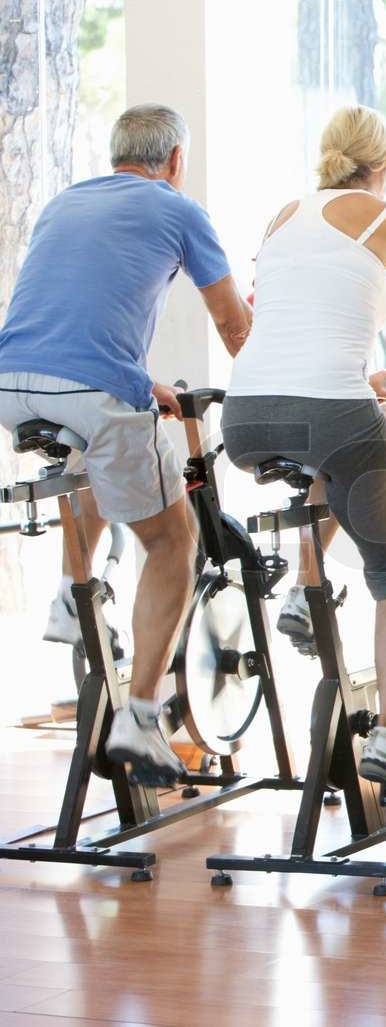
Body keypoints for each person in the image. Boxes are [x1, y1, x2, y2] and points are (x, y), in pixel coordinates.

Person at [220, 105, 386, 803]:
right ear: (385, 165)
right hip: (327, 409)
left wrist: (358, 373)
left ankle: (303, 595)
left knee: (332, 461)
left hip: (246, 412)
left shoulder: (284, 214)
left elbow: (301, 312)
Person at [0, 103, 253, 782]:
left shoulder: (64, 203)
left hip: (13, 382)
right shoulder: (178, 209)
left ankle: (68, 592)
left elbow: (70, 307)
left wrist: (140, 380)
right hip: (92, 392)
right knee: (173, 542)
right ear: (174, 161)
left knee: (93, 457)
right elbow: (233, 325)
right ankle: (141, 718)